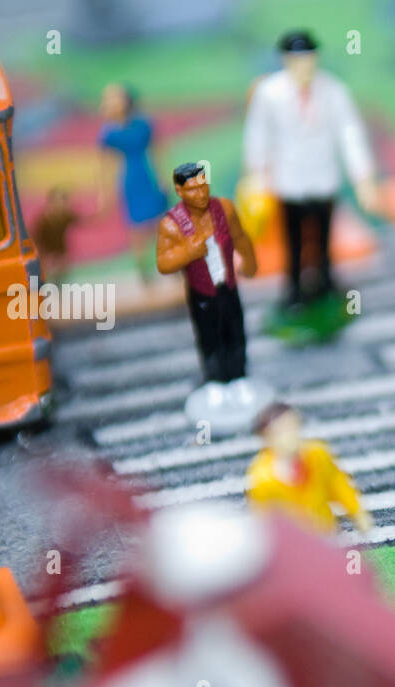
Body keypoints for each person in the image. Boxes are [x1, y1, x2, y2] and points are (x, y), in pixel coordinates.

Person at [242, 29, 380, 308]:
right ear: (285, 60)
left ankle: (326, 281)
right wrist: (256, 174)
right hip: (289, 181)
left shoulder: (334, 90)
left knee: (324, 236)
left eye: (309, 60)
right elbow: (258, 134)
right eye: (297, 60)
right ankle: (293, 289)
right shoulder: (270, 93)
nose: (304, 66)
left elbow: (350, 133)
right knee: (292, 240)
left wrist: (363, 178)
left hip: (323, 177)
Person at [156, 162, 269, 431]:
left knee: (236, 331)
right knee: (209, 337)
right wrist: (186, 252)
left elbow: (240, 237)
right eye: (193, 189)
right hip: (201, 292)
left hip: (228, 284)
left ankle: (239, 377)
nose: (200, 194)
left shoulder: (225, 209)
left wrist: (251, 262)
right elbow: (163, 263)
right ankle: (216, 381)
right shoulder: (172, 225)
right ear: (180, 191)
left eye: (203, 186)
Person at [246, 401, 373, 536]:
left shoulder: (318, 453)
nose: (290, 435)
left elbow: (337, 483)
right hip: (293, 540)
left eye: (293, 427)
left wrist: (356, 511)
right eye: (280, 431)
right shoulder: (262, 478)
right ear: (266, 437)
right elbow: (263, 518)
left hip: (325, 528)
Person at [98, 83, 170, 282]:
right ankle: (144, 272)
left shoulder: (143, 125)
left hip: (148, 175)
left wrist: (163, 177)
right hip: (129, 180)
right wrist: (105, 193)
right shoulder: (109, 133)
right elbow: (106, 166)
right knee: (136, 228)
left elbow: (157, 151)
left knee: (160, 224)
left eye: (115, 97)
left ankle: (170, 262)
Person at [31, 186, 79, 288]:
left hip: (59, 257)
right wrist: (45, 257)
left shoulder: (65, 216)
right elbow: (35, 241)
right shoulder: (43, 220)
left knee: (60, 275)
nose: (62, 204)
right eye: (59, 200)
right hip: (46, 258)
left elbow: (93, 217)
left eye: (64, 201)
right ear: (51, 202)